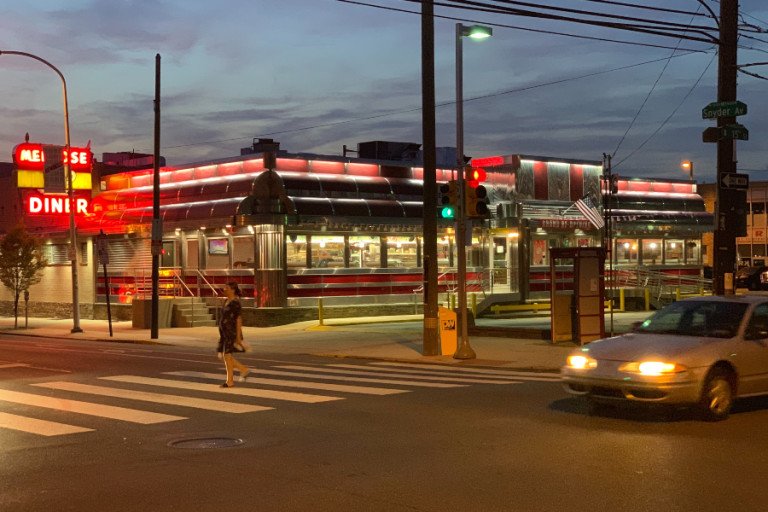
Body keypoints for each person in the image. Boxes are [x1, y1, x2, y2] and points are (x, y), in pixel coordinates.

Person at [216, 281, 250, 387]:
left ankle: (232, 379)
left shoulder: (235, 303)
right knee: (225, 356)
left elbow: (238, 319)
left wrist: (238, 337)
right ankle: (242, 371)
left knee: (227, 355)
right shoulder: (226, 301)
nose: (224, 289)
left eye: (226, 287)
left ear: (232, 290)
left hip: (231, 332)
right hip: (224, 332)